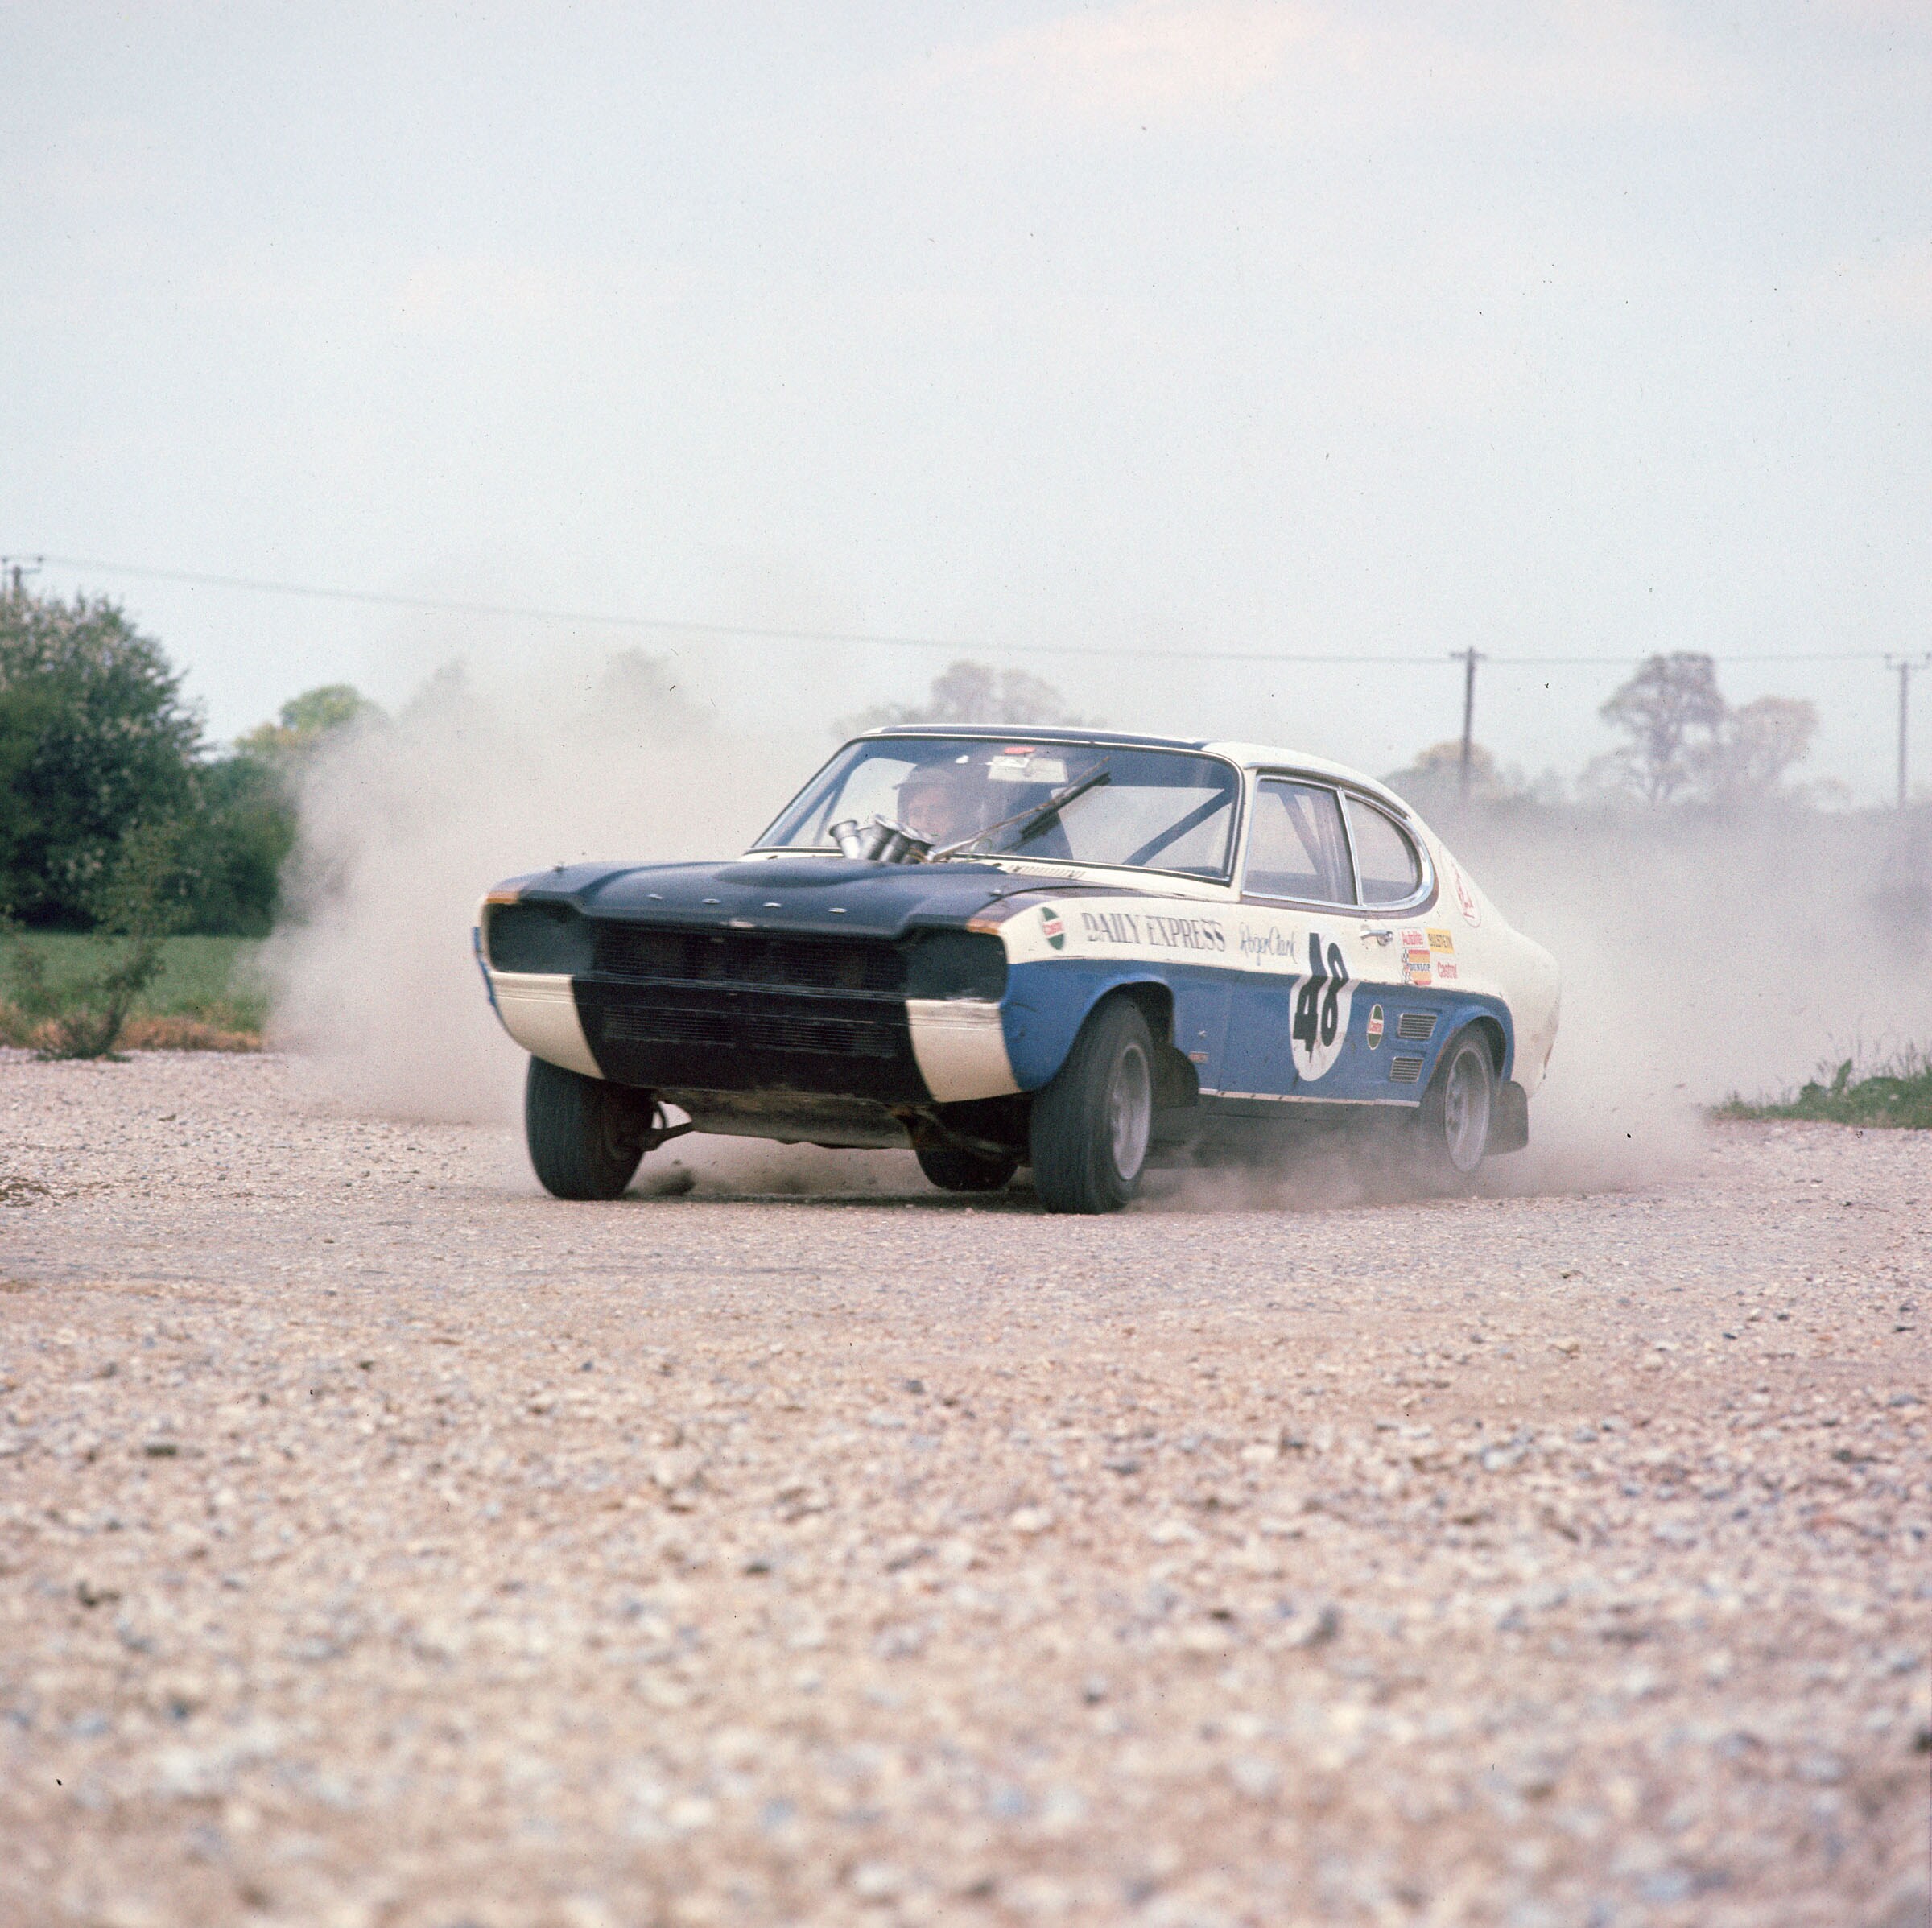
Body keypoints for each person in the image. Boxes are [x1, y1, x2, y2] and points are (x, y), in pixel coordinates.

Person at [895, 758, 990, 850]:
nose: (924, 824)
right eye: (916, 814)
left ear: (959, 815)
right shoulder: (896, 859)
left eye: (936, 812)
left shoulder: (978, 854)